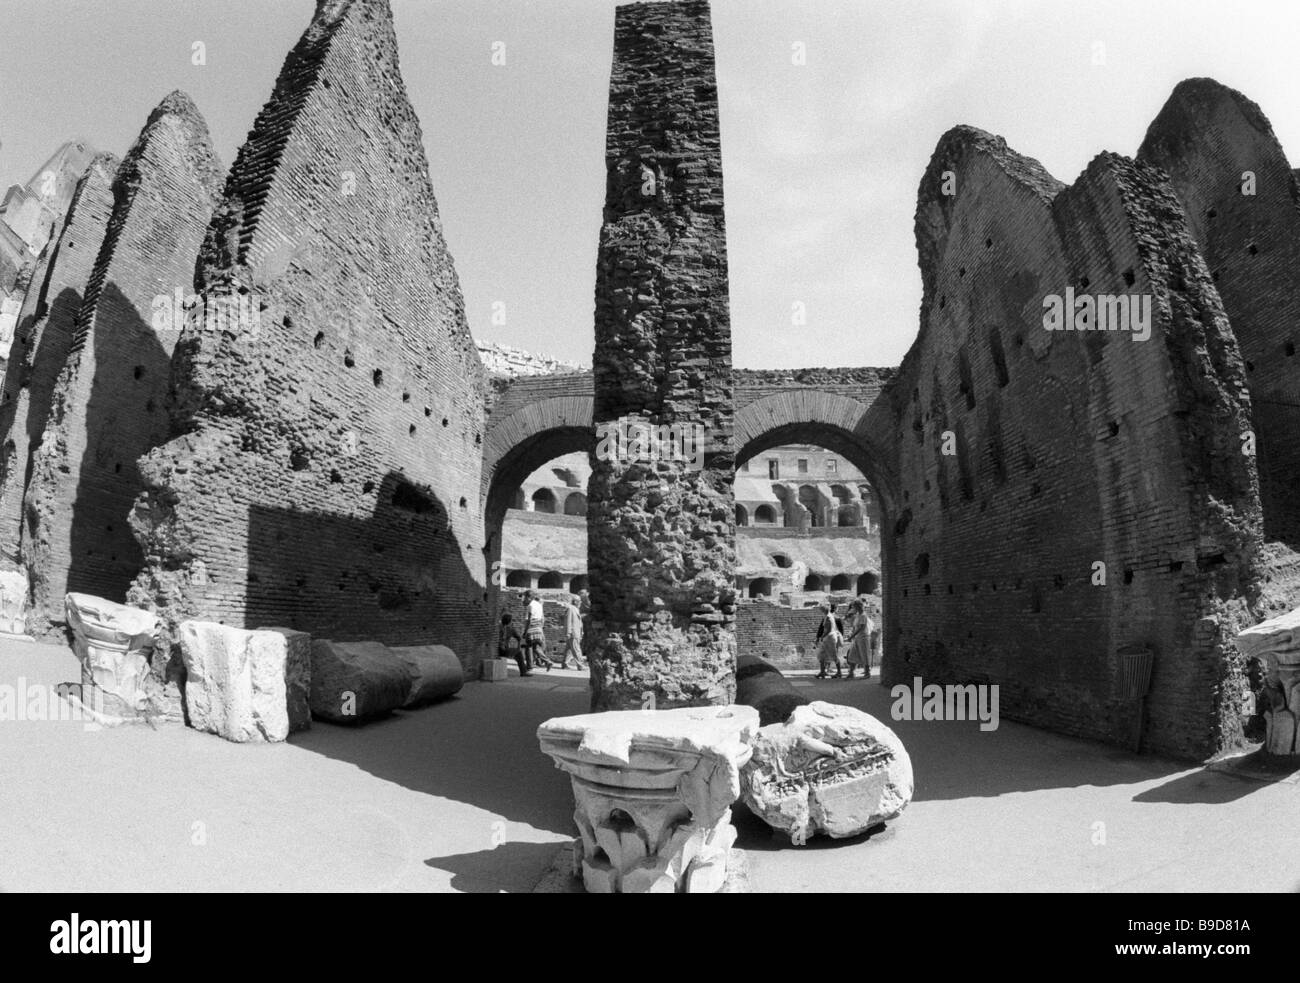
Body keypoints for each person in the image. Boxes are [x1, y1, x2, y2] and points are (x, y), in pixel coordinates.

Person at [844, 598, 874, 680]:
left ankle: (867, 673)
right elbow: (855, 627)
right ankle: (851, 673)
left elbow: (861, 627)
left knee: (864, 655)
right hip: (857, 638)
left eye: (854, 607)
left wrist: (851, 636)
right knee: (852, 654)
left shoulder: (863, 615)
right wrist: (851, 635)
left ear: (858, 606)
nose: (853, 608)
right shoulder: (858, 615)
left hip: (863, 638)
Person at [522, 590, 551, 671]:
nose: (524, 599)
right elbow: (542, 618)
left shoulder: (530, 605)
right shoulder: (539, 604)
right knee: (536, 647)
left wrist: (525, 631)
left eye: (525, 597)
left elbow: (529, 619)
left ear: (529, 597)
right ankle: (547, 661)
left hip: (532, 627)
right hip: (539, 627)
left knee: (528, 646)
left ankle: (529, 666)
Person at [814, 602, 844, 679]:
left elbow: (828, 629)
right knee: (821, 654)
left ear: (824, 610)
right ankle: (822, 672)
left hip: (830, 638)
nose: (820, 611)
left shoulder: (829, 617)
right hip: (826, 638)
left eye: (821, 609)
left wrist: (821, 637)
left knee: (834, 655)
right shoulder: (826, 616)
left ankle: (839, 672)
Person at [559, 591, 586, 670]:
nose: (580, 603)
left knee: (569, 649)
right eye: (579, 601)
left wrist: (581, 631)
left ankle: (565, 664)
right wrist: (568, 632)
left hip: (576, 632)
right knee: (576, 649)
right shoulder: (571, 608)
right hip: (573, 633)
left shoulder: (575, 609)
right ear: (575, 602)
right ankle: (580, 665)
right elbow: (568, 621)